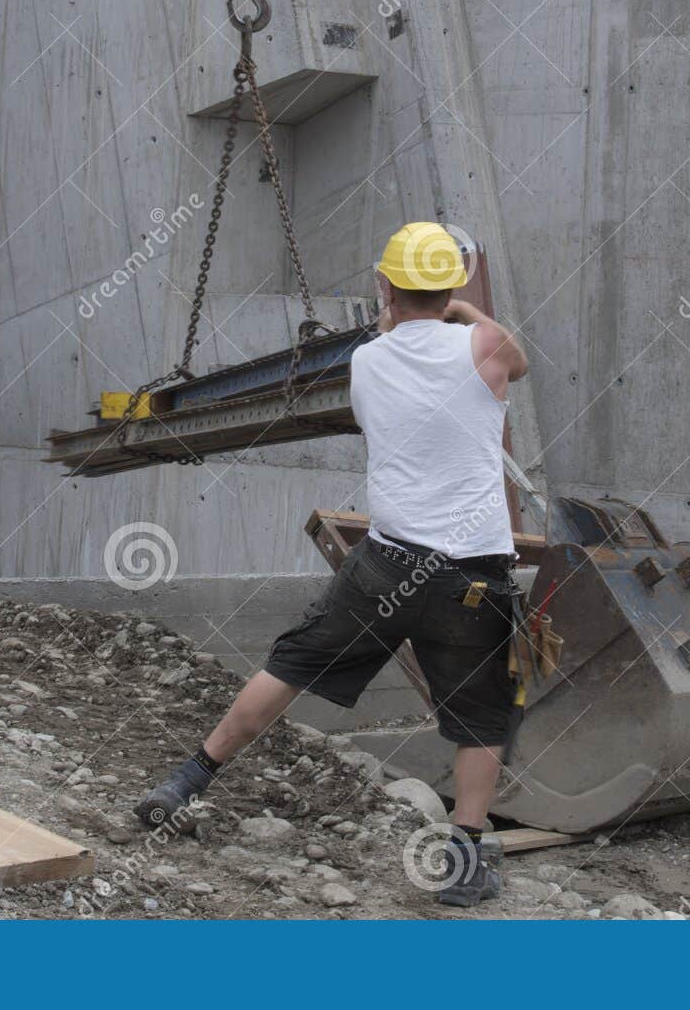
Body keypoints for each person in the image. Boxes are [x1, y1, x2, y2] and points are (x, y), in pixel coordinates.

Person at [135, 222, 530, 907]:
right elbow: (515, 360)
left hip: (385, 566)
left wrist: (395, 317)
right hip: (469, 579)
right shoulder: (483, 346)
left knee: (291, 665)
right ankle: (463, 864)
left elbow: (392, 341)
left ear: (385, 286)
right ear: (452, 287)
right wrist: (464, 309)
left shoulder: (368, 363)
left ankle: (189, 779)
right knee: (483, 719)